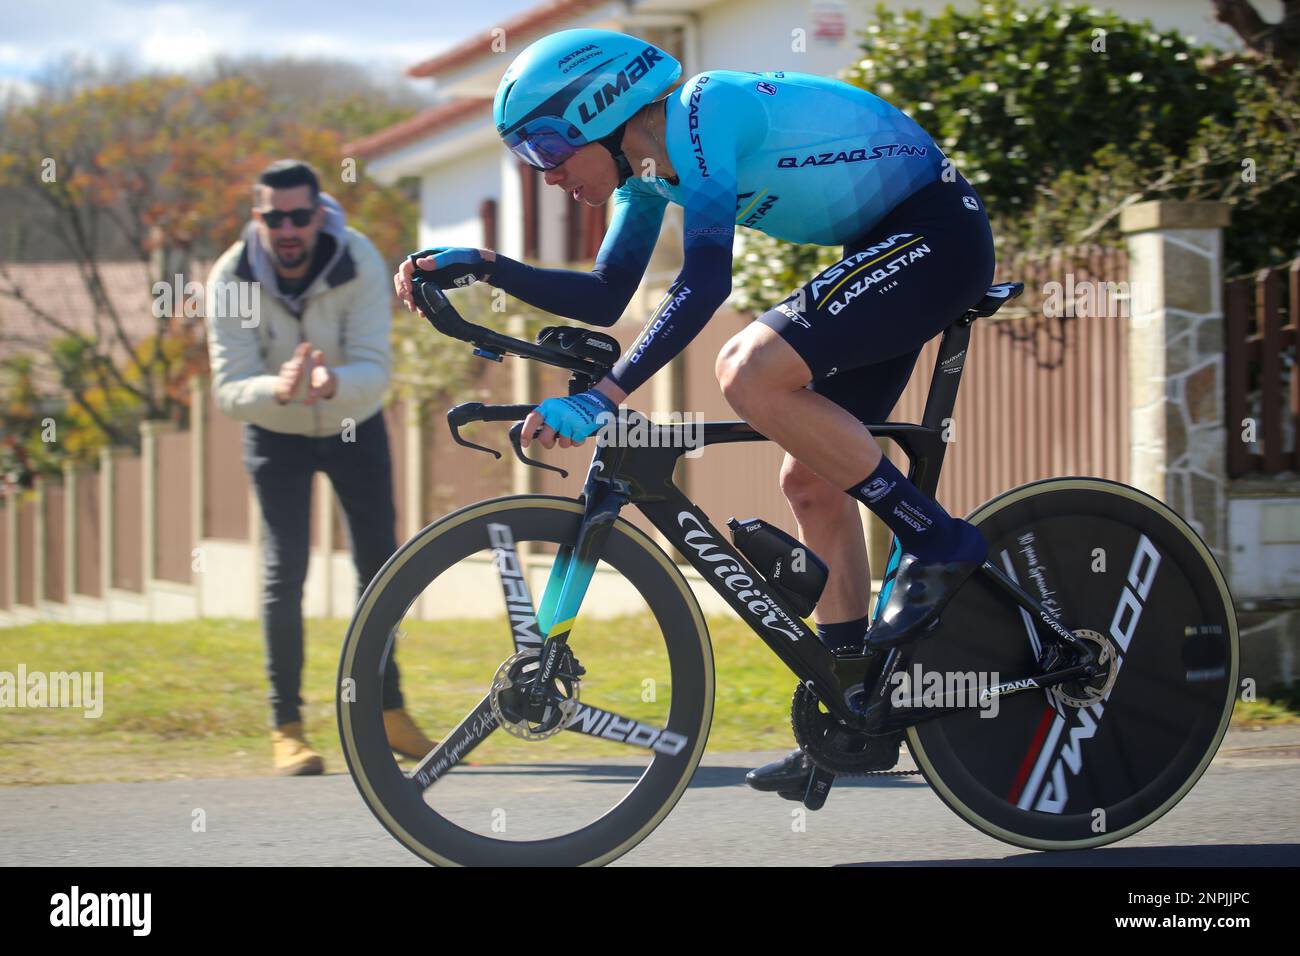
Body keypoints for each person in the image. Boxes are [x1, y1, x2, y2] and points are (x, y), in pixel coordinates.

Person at [393, 30, 995, 795]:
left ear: (602, 111)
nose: (546, 177)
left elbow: (704, 283)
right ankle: (856, 710)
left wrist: (605, 396)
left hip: (934, 234)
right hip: (877, 250)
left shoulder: (707, 114)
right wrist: (486, 266)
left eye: (547, 150)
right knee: (811, 484)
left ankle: (939, 541)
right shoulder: (646, 180)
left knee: (747, 370)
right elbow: (608, 294)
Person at [208, 159, 435, 775]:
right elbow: (229, 388)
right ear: (258, 218)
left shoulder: (358, 259)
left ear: (318, 214)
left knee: (379, 567)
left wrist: (331, 381)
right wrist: (276, 388)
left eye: (300, 215)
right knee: (286, 574)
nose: (288, 228)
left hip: (350, 421)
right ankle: (287, 728)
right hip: (275, 430)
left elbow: (376, 369)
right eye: (274, 216)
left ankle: (386, 713)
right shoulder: (230, 277)